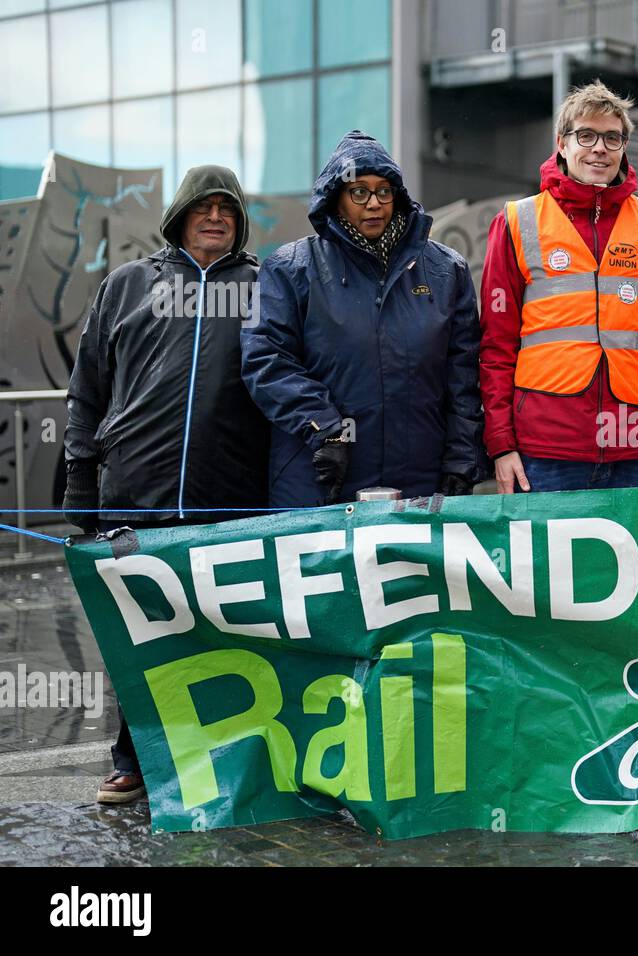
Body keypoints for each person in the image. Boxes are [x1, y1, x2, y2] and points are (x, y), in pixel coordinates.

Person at [63, 165, 269, 805]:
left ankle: (227, 761)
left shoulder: (263, 288)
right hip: (136, 496)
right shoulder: (126, 285)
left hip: (230, 496)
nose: (215, 218)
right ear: (179, 214)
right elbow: (86, 392)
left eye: (227, 210)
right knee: (143, 636)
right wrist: (79, 482)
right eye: (203, 207)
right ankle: (134, 758)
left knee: (227, 633)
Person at [242, 131, 483, 506]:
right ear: (335, 198)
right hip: (318, 478)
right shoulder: (289, 269)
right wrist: (323, 425)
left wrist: (462, 460)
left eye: (384, 191)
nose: (374, 204)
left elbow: (463, 378)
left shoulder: (446, 270)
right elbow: (264, 359)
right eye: (359, 192)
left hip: (420, 480)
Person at [479, 81, 638, 492]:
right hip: (545, 450)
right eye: (587, 135)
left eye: (612, 137)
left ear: (624, 146)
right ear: (562, 144)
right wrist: (500, 445)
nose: (600, 148)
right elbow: (495, 347)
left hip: (634, 446)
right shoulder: (516, 221)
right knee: (544, 560)